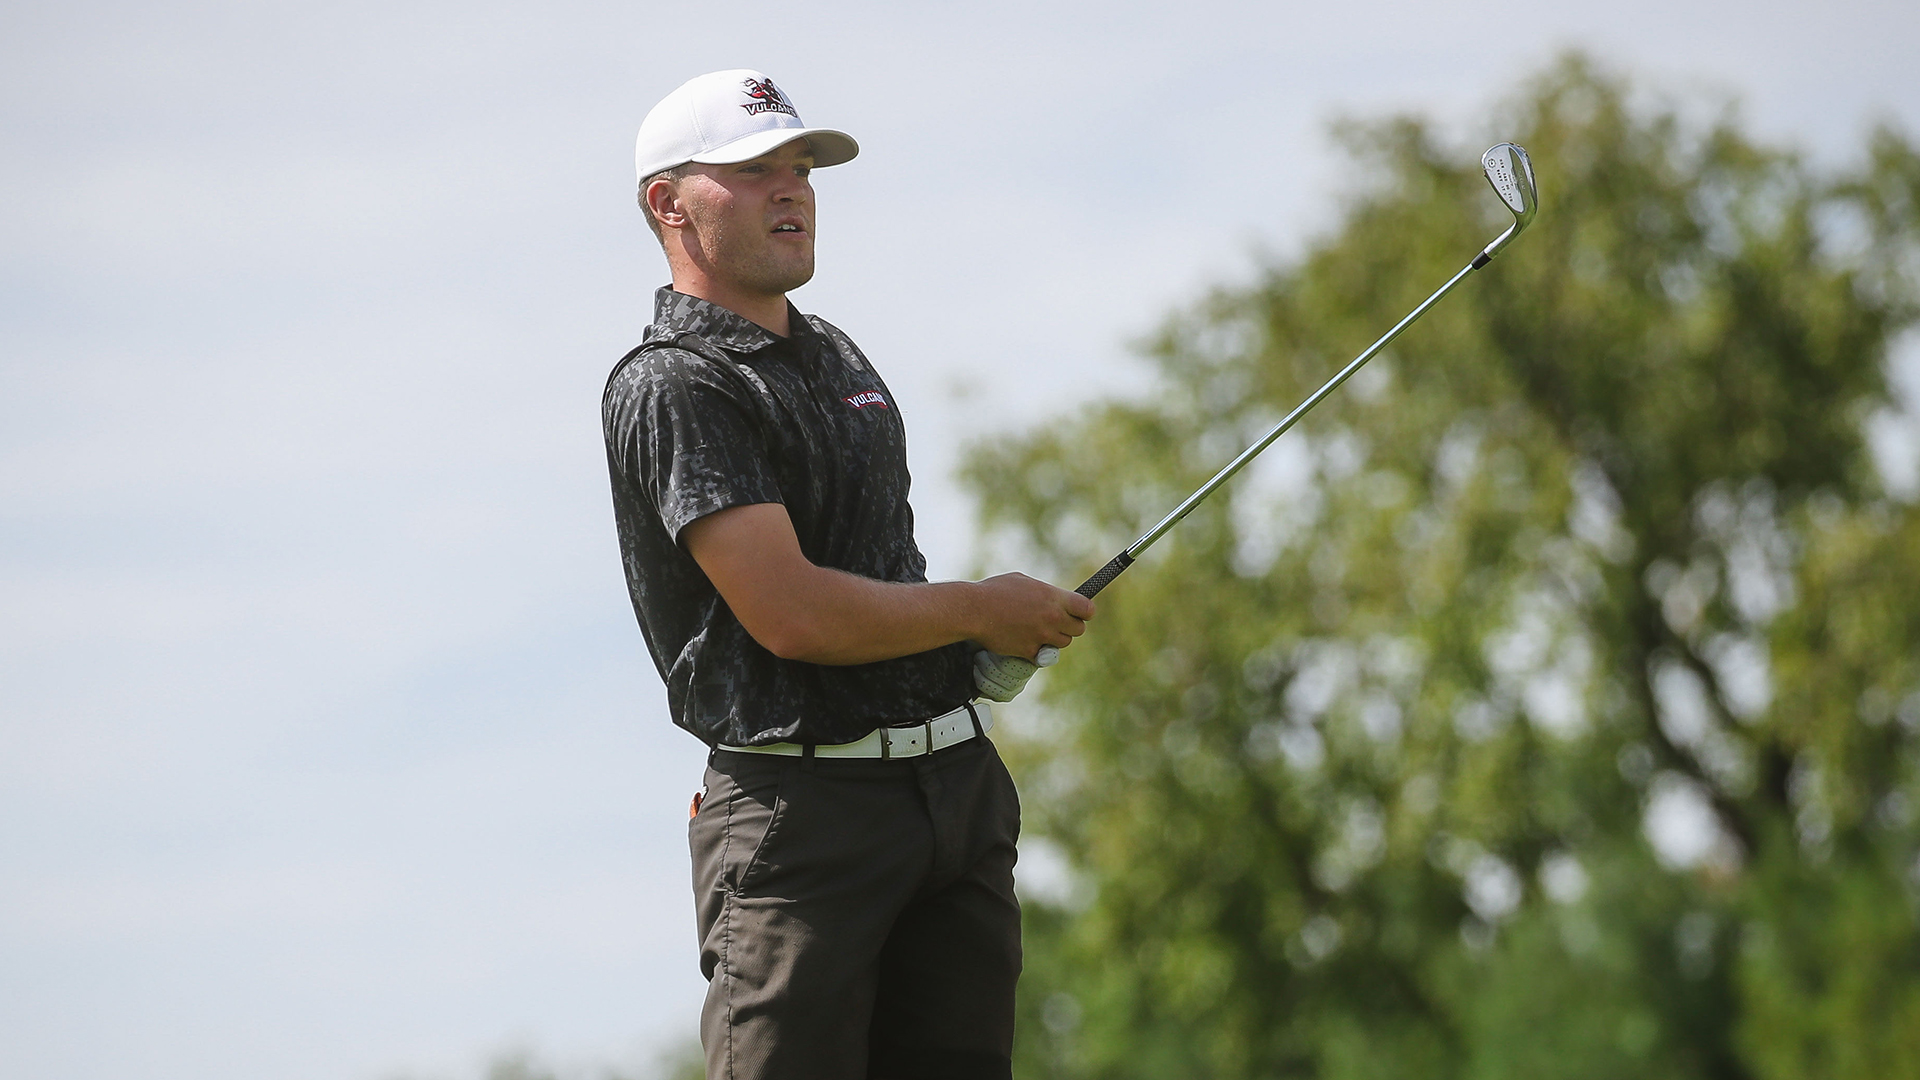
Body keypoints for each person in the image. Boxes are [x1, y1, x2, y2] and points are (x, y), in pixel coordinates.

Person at [601, 69, 1096, 1080]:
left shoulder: (834, 354)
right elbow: (791, 615)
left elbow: (881, 569)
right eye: (753, 171)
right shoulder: (675, 382)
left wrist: (975, 648)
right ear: (668, 204)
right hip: (803, 823)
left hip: (952, 798)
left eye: (802, 166)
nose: (793, 188)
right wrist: (980, 612)